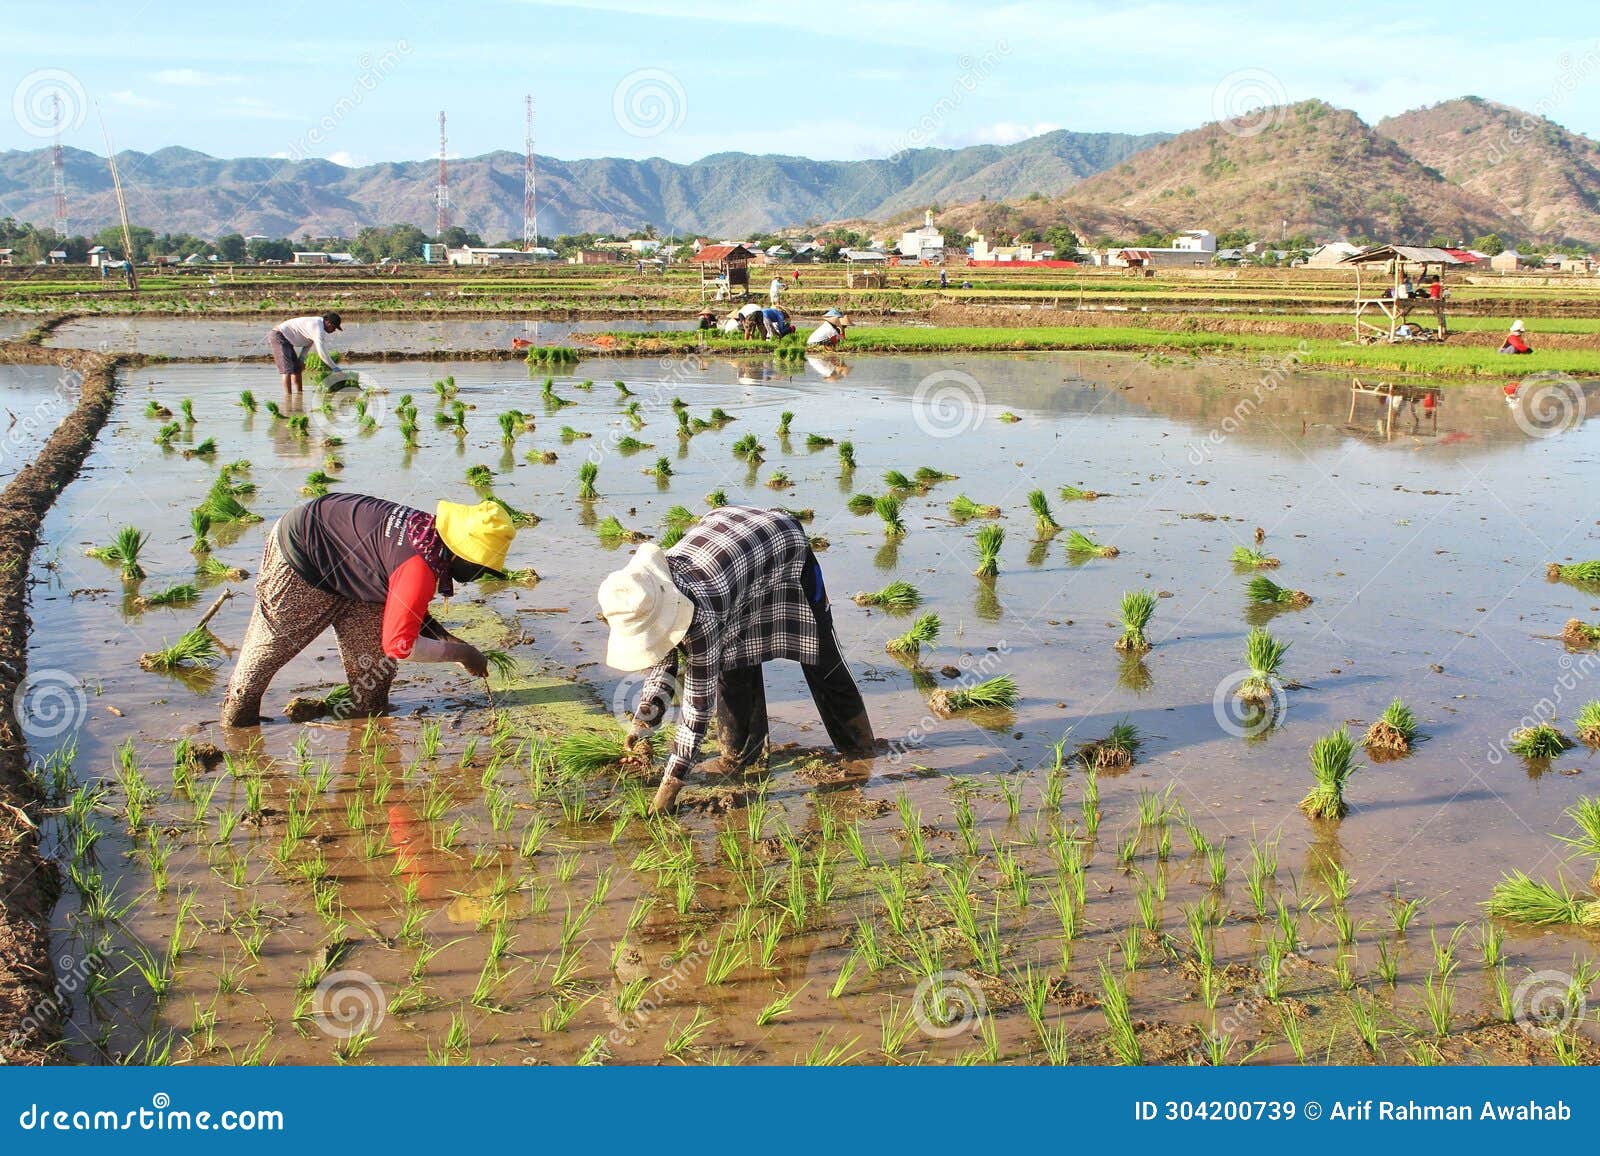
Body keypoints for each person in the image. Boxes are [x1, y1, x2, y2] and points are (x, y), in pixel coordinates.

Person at [598, 506, 876, 814]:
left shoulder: (698, 610)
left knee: (822, 657)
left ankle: (860, 749)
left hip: (783, 546)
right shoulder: (649, 595)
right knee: (732, 660)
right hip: (733, 561)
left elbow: (697, 709)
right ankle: (742, 756)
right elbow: (662, 668)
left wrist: (671, 784)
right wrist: (642, 728)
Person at [220, 493, 515, 726]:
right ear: (463, 555)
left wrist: (450, 641)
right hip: (305, 553)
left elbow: (408, 613)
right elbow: (400, 645)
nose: (481, 574)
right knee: (267, 653)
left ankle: (368, 731)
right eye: (481, 567)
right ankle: (236, 728)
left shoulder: (427, 537)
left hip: (358, 568)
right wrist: (463, 654)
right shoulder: (418, 567)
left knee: (371, 674)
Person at [269, 312, 343, 394]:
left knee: (297, 369)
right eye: (334, 327)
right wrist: (335, 368)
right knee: (287, 370)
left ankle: (299, 394)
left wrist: (301, 360)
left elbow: (309, 343)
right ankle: (288, 397)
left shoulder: (319, 326)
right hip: (279, 335)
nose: (334, 330)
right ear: (328, 323)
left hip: (287, 339)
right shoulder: (317, 328)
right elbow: (322, 352)